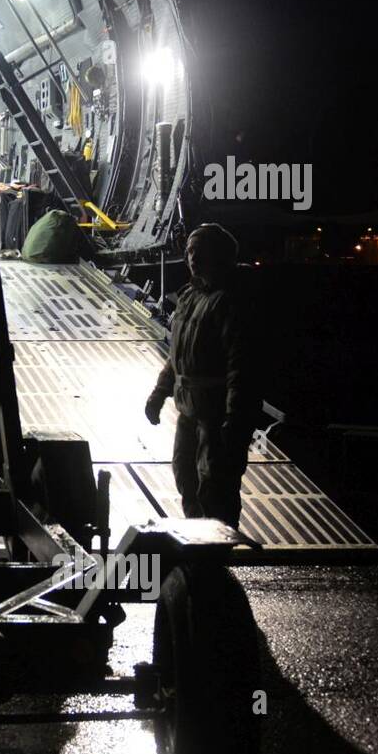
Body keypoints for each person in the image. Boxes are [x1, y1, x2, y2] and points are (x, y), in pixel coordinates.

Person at [144, 223, 260, 529]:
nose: (192, 258)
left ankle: (219, 552)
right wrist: (159, 393)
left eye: (200, 252)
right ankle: (197, 543)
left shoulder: (232, 302)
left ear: (219, 255)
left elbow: (243, 368)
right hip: (189, 411)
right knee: (186, 477)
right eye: (190, 251)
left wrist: (234, 420)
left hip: (216, 414)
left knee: (216, 486)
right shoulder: (190, 297)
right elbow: (178, 356)